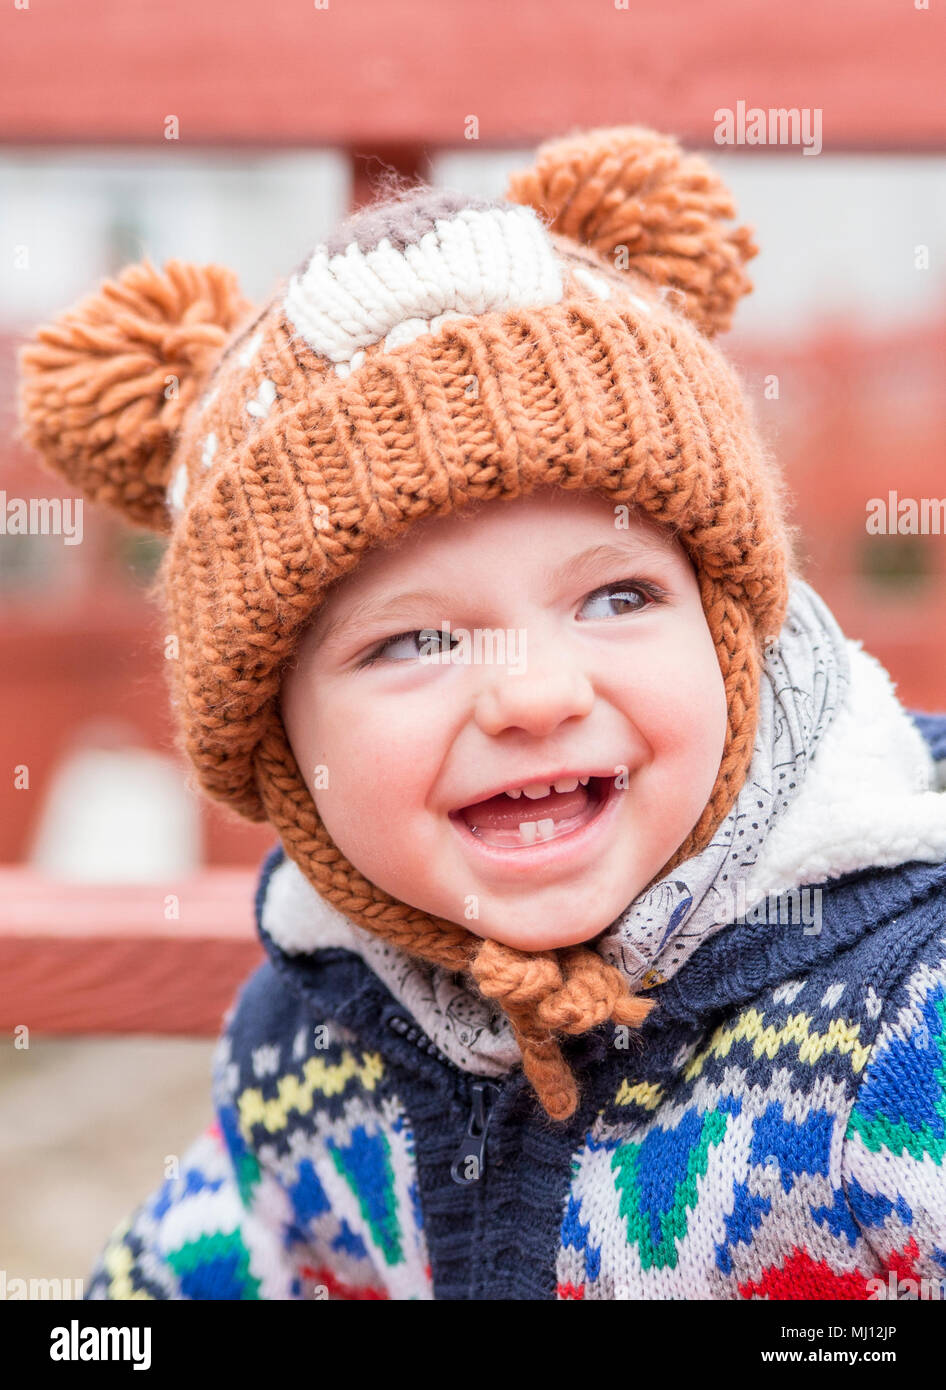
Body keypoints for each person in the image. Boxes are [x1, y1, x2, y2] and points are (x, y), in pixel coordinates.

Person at [18, 124, 946, 1300]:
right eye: (414, 640)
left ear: (731, 634)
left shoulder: (900, 1017)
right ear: (282, 753)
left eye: (616, 596)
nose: (533, 692)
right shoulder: (314, 1037)